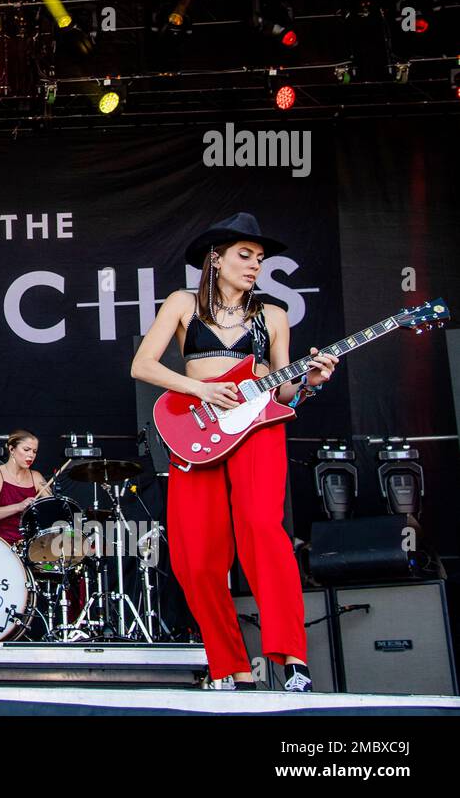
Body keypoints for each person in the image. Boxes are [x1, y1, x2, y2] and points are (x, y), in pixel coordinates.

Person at [131, 213, 337, 692]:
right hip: (198, 432)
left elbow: (284, 391)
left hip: (257, 428)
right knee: (195, 557)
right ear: (216, 257)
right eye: (245, 255)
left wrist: (310, 384)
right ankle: (231, 667)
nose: (255, 265)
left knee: (262, 529)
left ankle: (292, 662)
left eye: (260, 259)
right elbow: (143, 365)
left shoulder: (273, 314)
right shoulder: (182, 304)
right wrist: (200, 391)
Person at [0, 430, 52, 545]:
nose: (31, 455)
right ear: (12, 449)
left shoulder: (36, 477)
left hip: (31, 548)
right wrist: (18, 506)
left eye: (34, 451)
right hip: (1, 545)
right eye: (26, 450)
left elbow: (53, 508)